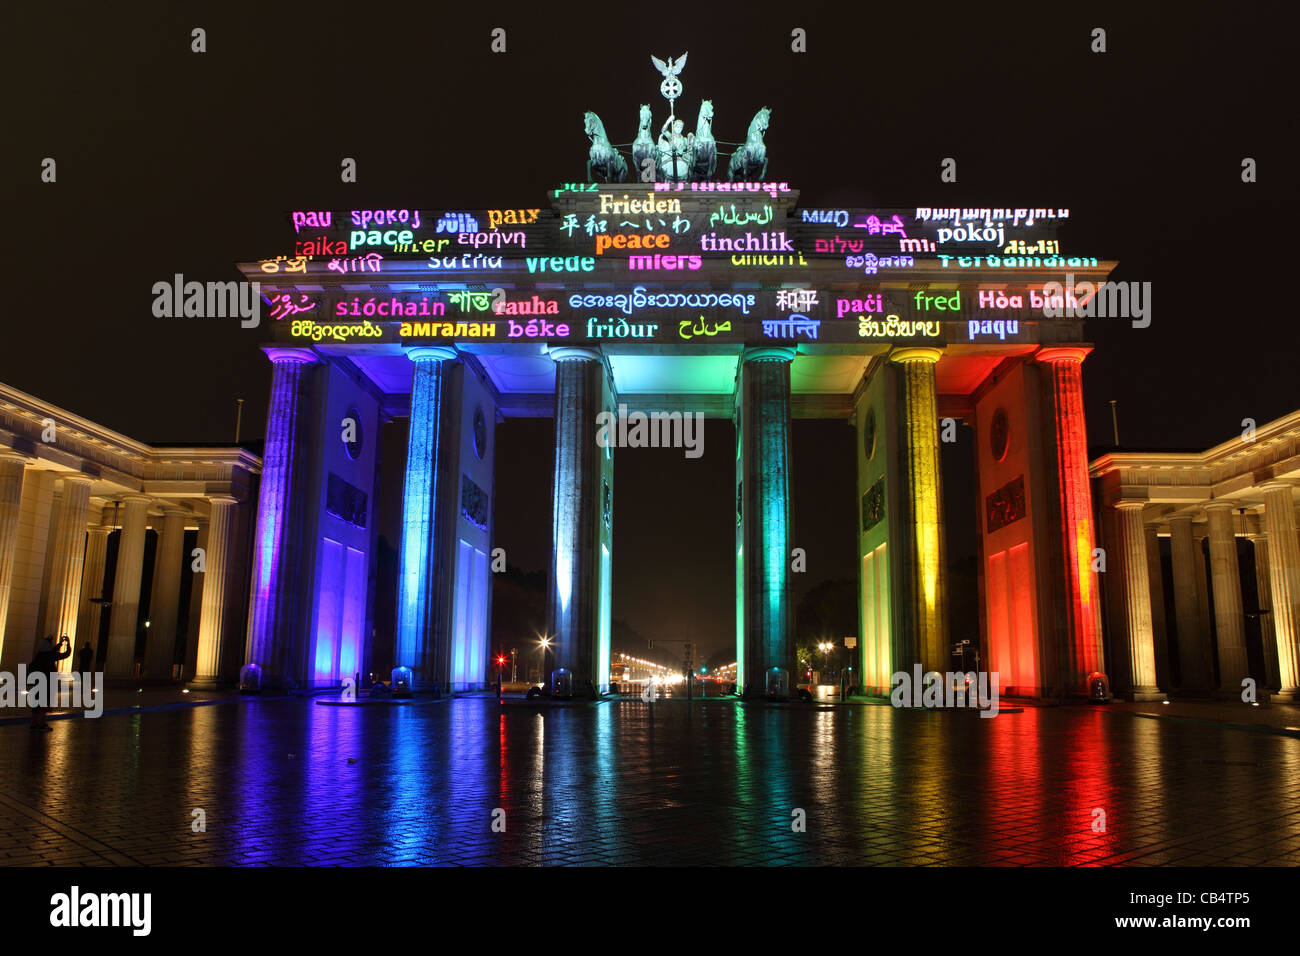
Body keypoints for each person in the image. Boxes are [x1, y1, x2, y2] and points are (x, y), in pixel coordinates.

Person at [29, 635, 71, 730]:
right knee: (44, 705)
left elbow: (53, 650)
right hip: (47, 683)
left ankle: (34, 723)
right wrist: (67, 644)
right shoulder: (50, 655)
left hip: (37, 682)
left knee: (36, 704)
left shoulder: (39, 655)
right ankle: (42, 723)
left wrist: (60, 644)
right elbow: (66, 654)